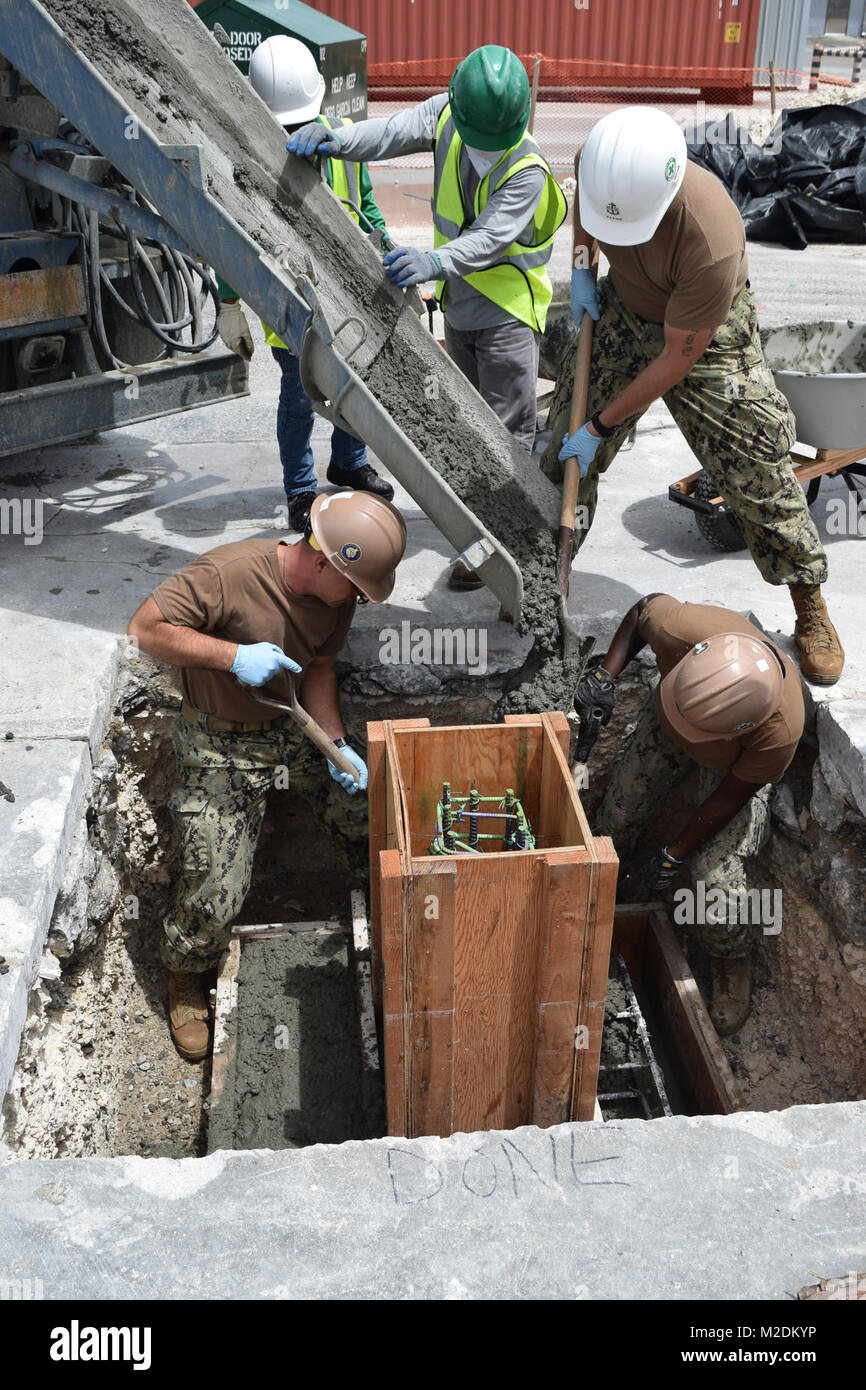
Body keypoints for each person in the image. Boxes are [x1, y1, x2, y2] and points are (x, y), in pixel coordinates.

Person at [546, 105, 843, 685]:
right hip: (627, 308)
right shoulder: (602, 162)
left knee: (755, 464)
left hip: (704, 336)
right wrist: (584, 267)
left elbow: (678, 358)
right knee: (560, 447)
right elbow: (585, 208)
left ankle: (808, 598)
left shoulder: (712, 236)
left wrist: (603, 426)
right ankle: (541, 567)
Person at [127, 490, 407, 1061]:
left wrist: (336, 744)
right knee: (215, 890)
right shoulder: (228, 573)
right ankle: (187, 975)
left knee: (369, 813)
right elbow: (145, 629)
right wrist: (234, 657)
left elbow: (322, 669)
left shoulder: (337, 597)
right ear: (326, 560)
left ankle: (392, 914)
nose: (358, 600)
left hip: (291, 728)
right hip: (219, 741)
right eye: (355, 587)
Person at [287, 43, 567, 589]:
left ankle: (506, 548)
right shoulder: (447, 113)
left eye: (496, 142)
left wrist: (432, 260)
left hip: (509, 310)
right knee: (470, 423)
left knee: (506, 434)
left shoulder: (528, 169)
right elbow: (389, 133)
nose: (486, 150)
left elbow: (489, 239)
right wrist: (337, 139)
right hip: (462, 301)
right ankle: (481, 525)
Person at [577, 593, 805, 1035]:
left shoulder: (778, 731)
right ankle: (600, 893)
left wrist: (676, 852)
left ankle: (728, 955)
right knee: (615, 820)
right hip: (667, 714)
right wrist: (606, 674)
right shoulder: (682, 628)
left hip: (729, 772)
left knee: (712, 880)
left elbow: (729, 798)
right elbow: (641, 613)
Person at [216, 35, 393, 533]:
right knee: (299, 401)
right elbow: (227, 233)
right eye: (284, 124)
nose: (293, 134)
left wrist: (387, 254)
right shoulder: (248, 151)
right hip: (289, 308)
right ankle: (300, 490)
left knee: (355, 391)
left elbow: (369, 206)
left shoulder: (344, 141)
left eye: (300, 121)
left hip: (348, 301)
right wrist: (228, 301)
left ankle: (348, 463)